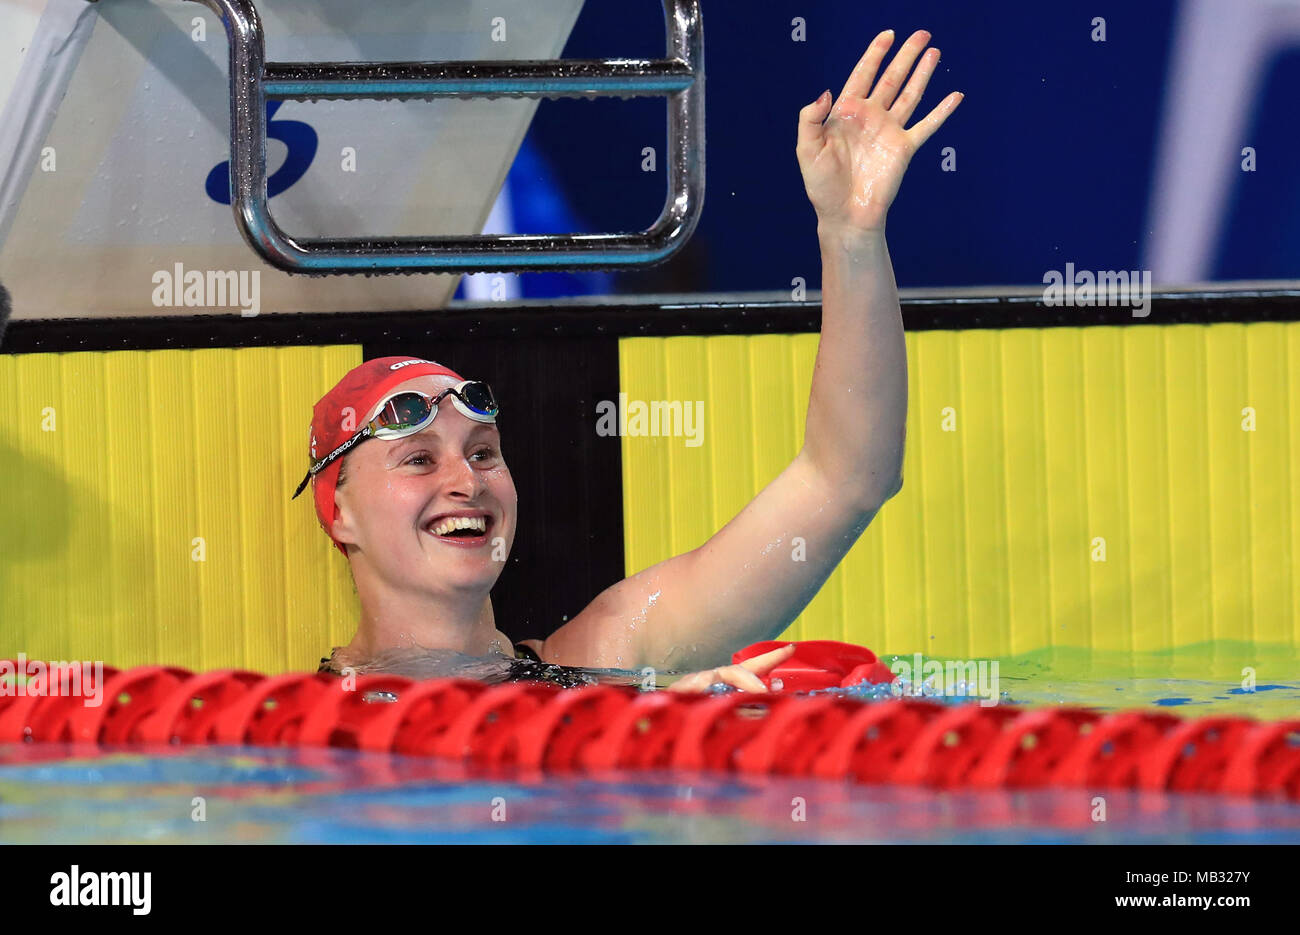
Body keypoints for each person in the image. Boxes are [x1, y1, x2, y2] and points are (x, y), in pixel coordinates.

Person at [295, 29, 962, 691]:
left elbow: (845, 478)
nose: (466, 482)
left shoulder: (613, 654)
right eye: (418, 457)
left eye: (484, 452)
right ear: (339, 510)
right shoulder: (296, 719)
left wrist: (850, 234)